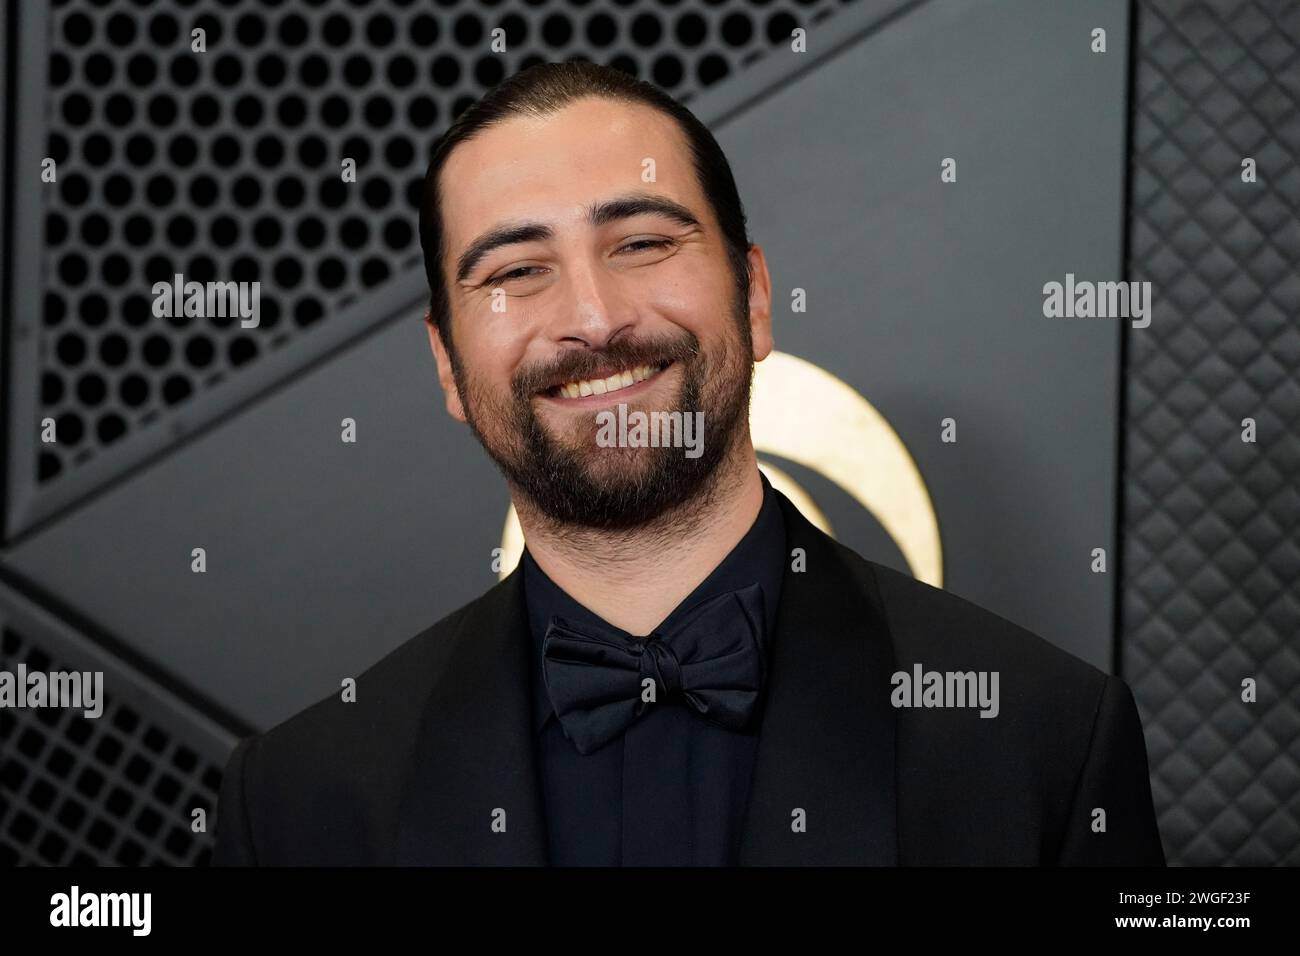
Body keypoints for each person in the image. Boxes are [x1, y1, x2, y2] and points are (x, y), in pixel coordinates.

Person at [212, 61, 1165, 866]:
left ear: (753, 297)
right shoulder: (297, 804)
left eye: (641, 242)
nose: (593, 316)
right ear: (447, 365)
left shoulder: (1042, 743)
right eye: (514, 270)